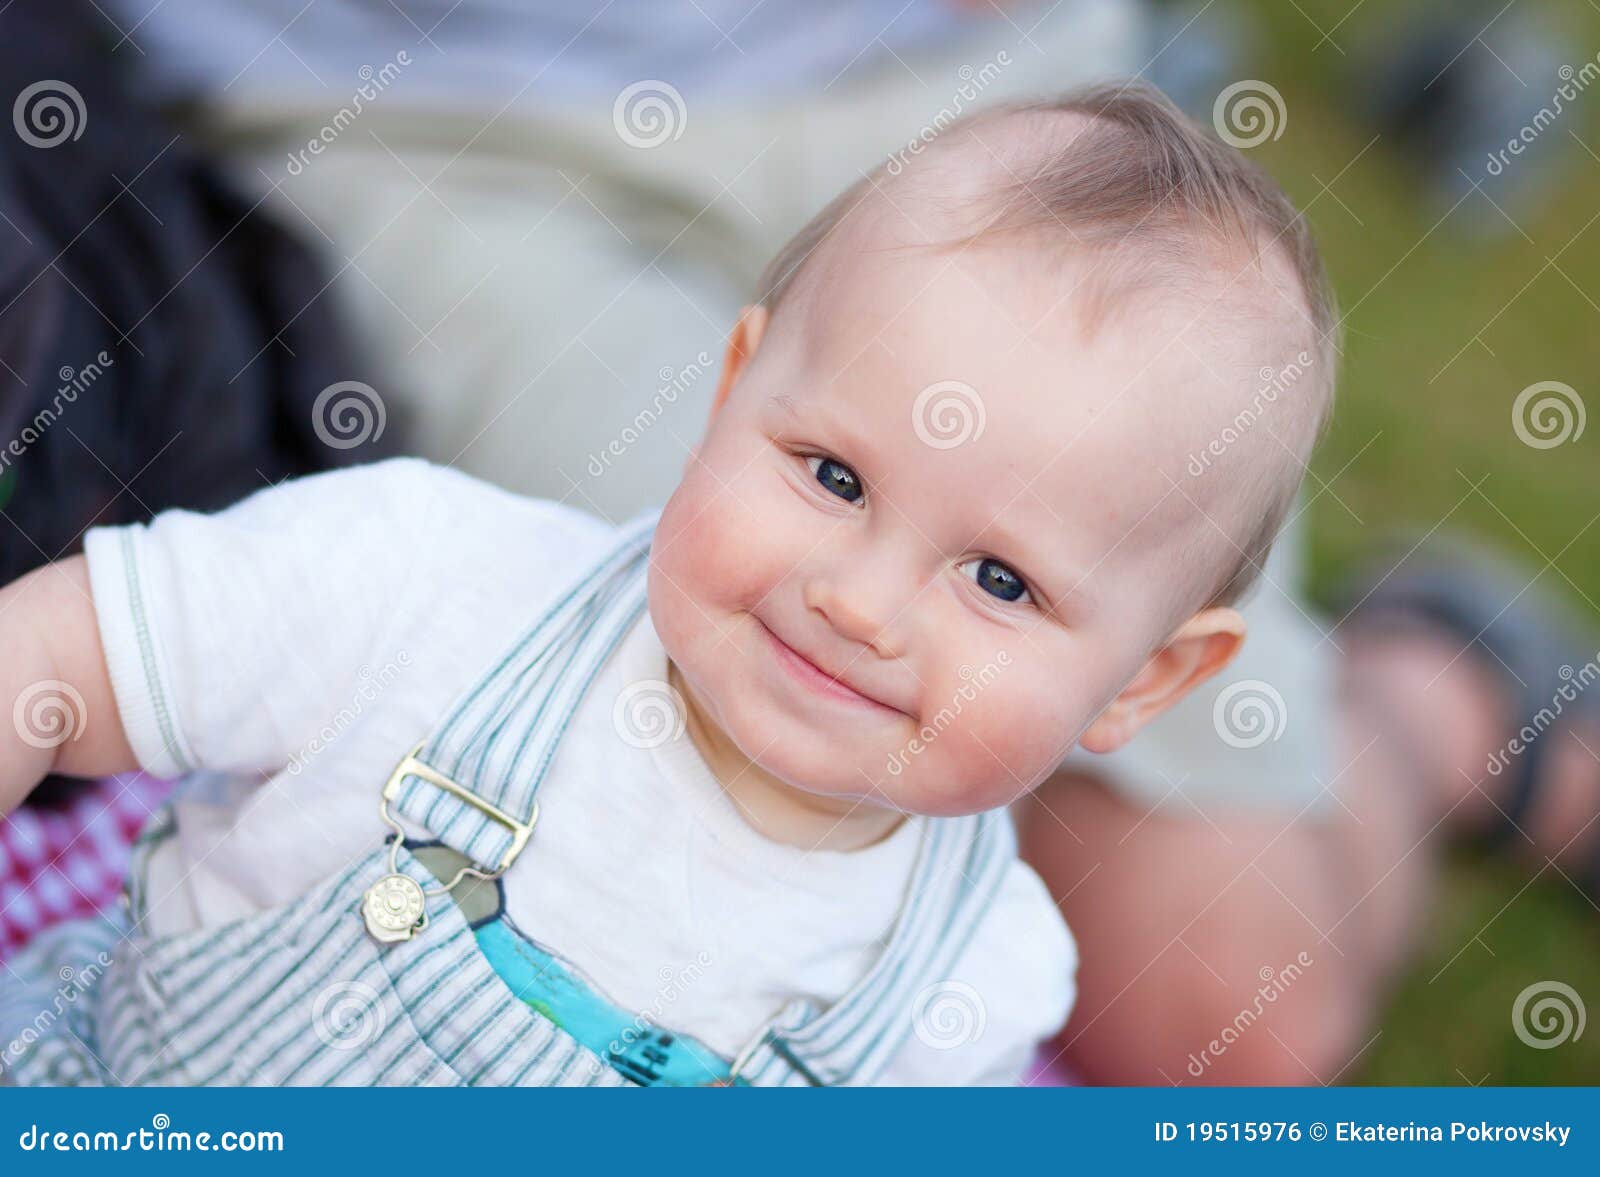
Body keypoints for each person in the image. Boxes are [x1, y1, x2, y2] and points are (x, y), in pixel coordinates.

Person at [0, 83, 1334, 1086]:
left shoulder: (974, 986)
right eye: (831, 476)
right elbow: (53, 664)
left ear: (1146, 678)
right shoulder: (430, 582)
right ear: (733, 384)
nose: (859, 602)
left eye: (997, 579)